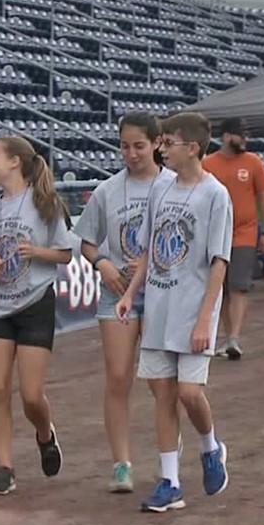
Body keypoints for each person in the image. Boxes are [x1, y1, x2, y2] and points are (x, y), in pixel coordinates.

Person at [115, 111, 231, 513]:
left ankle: (210, 444)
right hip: (160, 306)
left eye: (169, 142)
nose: (162, 148)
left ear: (193, 148)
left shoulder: (215, 194)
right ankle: (170, 480)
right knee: (162, 395)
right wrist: (132, 292)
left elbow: (219, 261)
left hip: (192, 307)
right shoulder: (161, 191)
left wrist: (205, 318)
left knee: (188, 393)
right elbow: (149, 249)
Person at [74, 111, 175, 494]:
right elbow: (85, 240)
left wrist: (155, 263)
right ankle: (121, 463)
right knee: (118, 376)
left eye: (139, 145)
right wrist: (101, 262)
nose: (131, 154)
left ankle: (169, 451)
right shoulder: (108, 191)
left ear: (157, 144)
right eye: (124, 146)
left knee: (159, 379)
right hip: (117, 294)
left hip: (162, 293)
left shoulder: (173, 186)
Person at [0, 136, 73, 496]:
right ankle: (4, 466)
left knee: (31, 395)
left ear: (15, 162)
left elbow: (65, 254)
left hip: (35, 304)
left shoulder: (45, 204)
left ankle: (45, 434)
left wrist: (36, 251)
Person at [203, 117, 264, 361]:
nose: (244, 140)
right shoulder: (208, 164)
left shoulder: (253, 162)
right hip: (214, 234)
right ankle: (226, 336)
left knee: (239, 286)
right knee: (219, 288)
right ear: (226, 137)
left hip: (244, 232)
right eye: (240, 135)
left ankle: (234, 337)